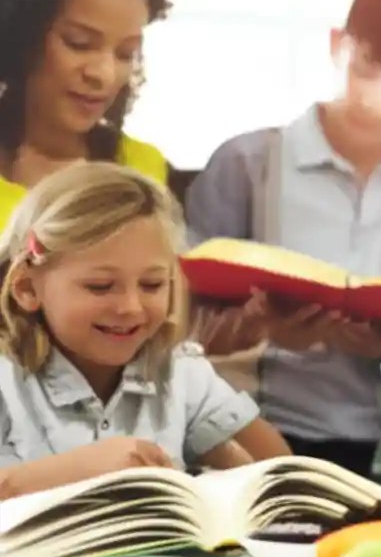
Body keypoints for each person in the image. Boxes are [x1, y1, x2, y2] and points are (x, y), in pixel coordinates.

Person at [183, 0, 381, 484]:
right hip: (238, 431)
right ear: (339, 45)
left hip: (362, 443)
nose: (376, 98)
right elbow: (178, 312)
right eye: (369, 69)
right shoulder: (248, 163)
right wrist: (262, 326)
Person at [0, 162, 290, 500]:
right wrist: (79, 468)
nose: (131, 307)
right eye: (100, 286)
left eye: (152, 284)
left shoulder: (181, 372)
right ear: (27, 289)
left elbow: (284, 472)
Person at [0, 0, 173, 225]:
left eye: (125, 53)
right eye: (79, 43)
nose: (104, 74)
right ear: (21, 36)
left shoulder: (141, 166)